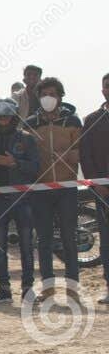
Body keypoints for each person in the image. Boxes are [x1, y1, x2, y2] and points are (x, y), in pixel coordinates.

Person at [0, 97, 41, 302]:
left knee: (26, 246)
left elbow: (35, 168)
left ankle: (28, 288)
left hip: (23, 199)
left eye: (7, 117)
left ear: (14, 118)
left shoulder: (27, 139)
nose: (3, 120)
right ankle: (4, 288)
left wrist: (14, 163)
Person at [24, 76, 82, 292]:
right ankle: (47, 287)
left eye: (52, 94)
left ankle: (72, 287)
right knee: (44, 240)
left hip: (67, 187)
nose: (48, 98)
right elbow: (26, 155)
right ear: (38, 97)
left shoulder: (73, 121)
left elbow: (79, 152)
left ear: (60, 97)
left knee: (69, 238)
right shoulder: (30, 123)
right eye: (44, 94)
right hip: (40, 189)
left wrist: (65, 155)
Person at [80, 72, 109, 304]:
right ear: (102, 90)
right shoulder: (92, 120)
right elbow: (86, 156)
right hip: (103, 192)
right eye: (107, 86)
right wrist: (96, 185)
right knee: (107, 241)